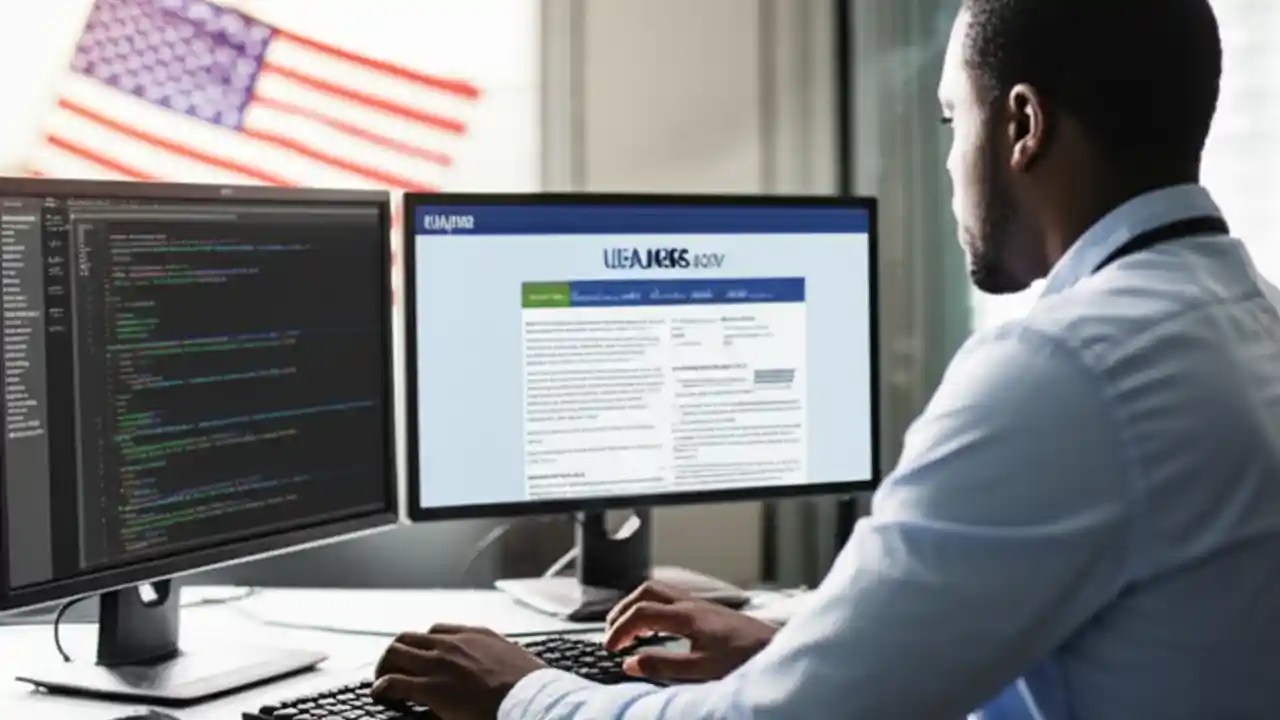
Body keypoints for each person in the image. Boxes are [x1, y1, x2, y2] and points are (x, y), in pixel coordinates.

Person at [370, 0, 1280, 717]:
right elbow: (1108, 635)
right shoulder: (1247, 323)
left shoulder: (1064, 368)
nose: (953, 164)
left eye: (948, 120)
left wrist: (519, 692)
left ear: (1022, 125)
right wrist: (801, 641)